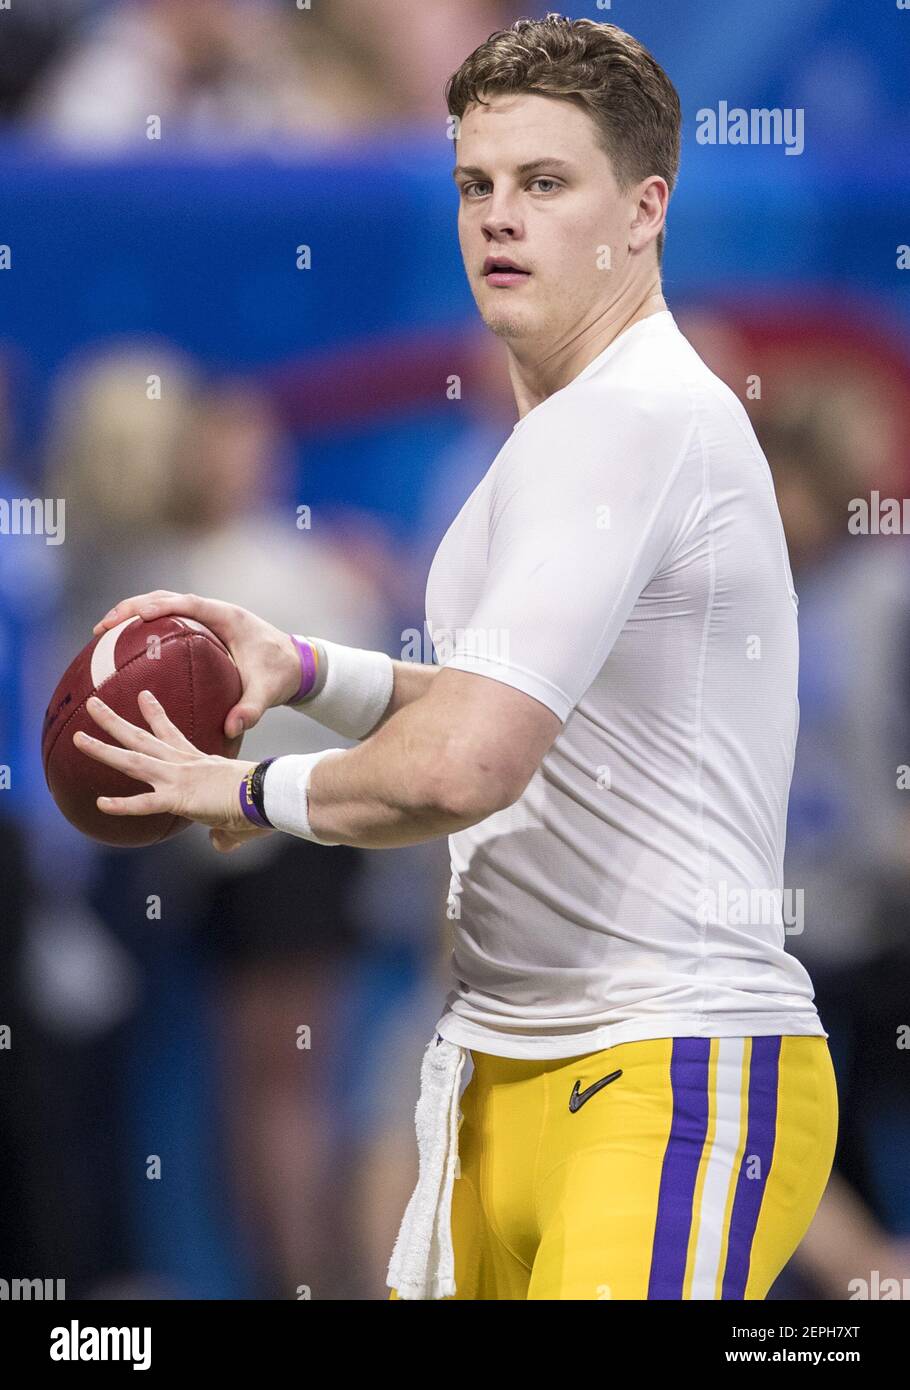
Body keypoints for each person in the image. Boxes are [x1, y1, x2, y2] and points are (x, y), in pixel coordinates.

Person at [81, 16, 837, 1300]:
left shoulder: (633, 419)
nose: (499, 218)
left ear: (646, 209)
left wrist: (245, 787)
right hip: (508, 1062)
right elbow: (535, 717)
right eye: (476, 185)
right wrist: (312, 673)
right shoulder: (560, 436)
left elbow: (469, 766)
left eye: (545, 184)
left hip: (662, 1068)